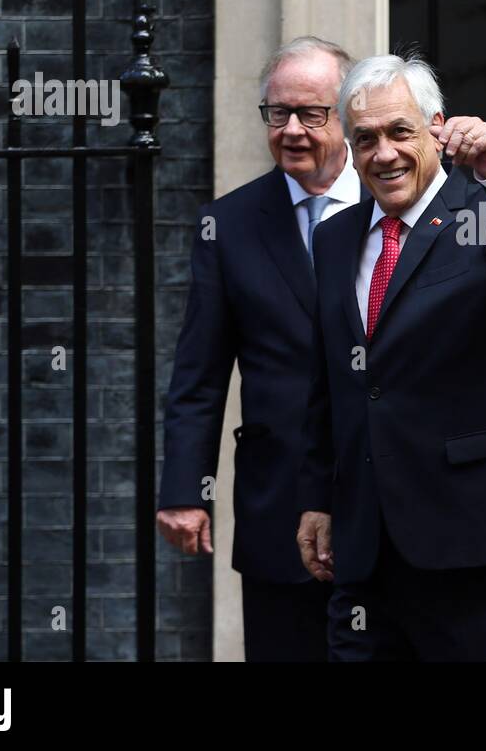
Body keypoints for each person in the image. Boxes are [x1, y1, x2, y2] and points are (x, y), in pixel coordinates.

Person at [295, 51, 486, 661]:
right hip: (366, 546)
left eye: (400, 132)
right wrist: (319, 498)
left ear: (438, 128)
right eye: (365, 139)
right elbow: (331, 381)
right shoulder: (335, 237)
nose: (384, 154)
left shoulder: (484, 215)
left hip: (472, 540)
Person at [157, 36, 367, 661]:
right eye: (280, 114)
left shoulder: (395, 202)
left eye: (313, 113)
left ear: (348, 115)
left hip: (385, 490)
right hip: (278, 500)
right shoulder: (230, 225)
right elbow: (199, 372)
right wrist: (184, 491)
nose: (294, 130)